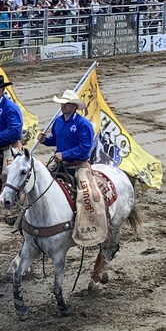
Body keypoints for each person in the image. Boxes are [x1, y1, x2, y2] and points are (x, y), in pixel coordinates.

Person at [36, 89, 106, 247]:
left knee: (86, 195)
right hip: (61, 164)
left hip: (78, 165)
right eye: (62, 104)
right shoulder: (58, 121)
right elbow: (56, 140)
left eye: (66, 104)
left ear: (74, 106)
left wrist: (65, 154)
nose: (63, 106)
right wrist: (45, 140)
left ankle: (89, 225)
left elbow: (84, 149)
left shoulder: (84, 125)